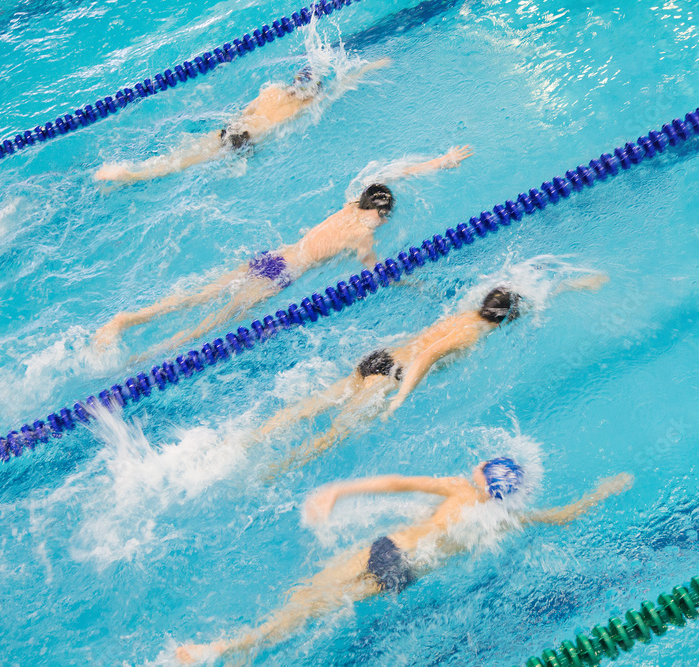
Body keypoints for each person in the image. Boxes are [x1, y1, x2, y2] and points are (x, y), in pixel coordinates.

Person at [174, 459, 634, 663]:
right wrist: (603, 492)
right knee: (307, 611)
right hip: (404, 574)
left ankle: (220, 650)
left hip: (388, 547)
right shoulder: (501, 522)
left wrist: (339, 491)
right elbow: (561, 517)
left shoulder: (459, 489)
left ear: (483, 480)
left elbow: (397, 482)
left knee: (302, 603)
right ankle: (233, 652)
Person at [92, 145, 475, 353]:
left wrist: (438, 162)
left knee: (200, 295)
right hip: (283, 274)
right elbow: (372, 271)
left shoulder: (348, 207)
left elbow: (391, 174)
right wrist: (410, 284)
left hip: (273, 256)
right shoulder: (363, 234)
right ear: (378, 212)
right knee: (214, 322)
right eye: (385, 216)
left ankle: (125, 319)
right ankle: (145, 358)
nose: (384, 222)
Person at [255, 272, 608, 473]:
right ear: (506, 319)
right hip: (390, 377)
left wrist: (571, 285)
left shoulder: (469, 315)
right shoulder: (473, 332)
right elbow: (425, 357)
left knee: (309, 407)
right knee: (334, 434)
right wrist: (400, 399)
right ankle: (277, 470)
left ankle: (252, 438)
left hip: (378, 357)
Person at [93, 59, 391, 183]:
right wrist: (373, 66)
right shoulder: (308, 105)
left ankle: (132, 170)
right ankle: (131, 176)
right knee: (184, 164)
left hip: (233, 129)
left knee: (180, 155)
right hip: (245, 140)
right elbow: (343, 84)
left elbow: (243, 114)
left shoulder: (272, 90)